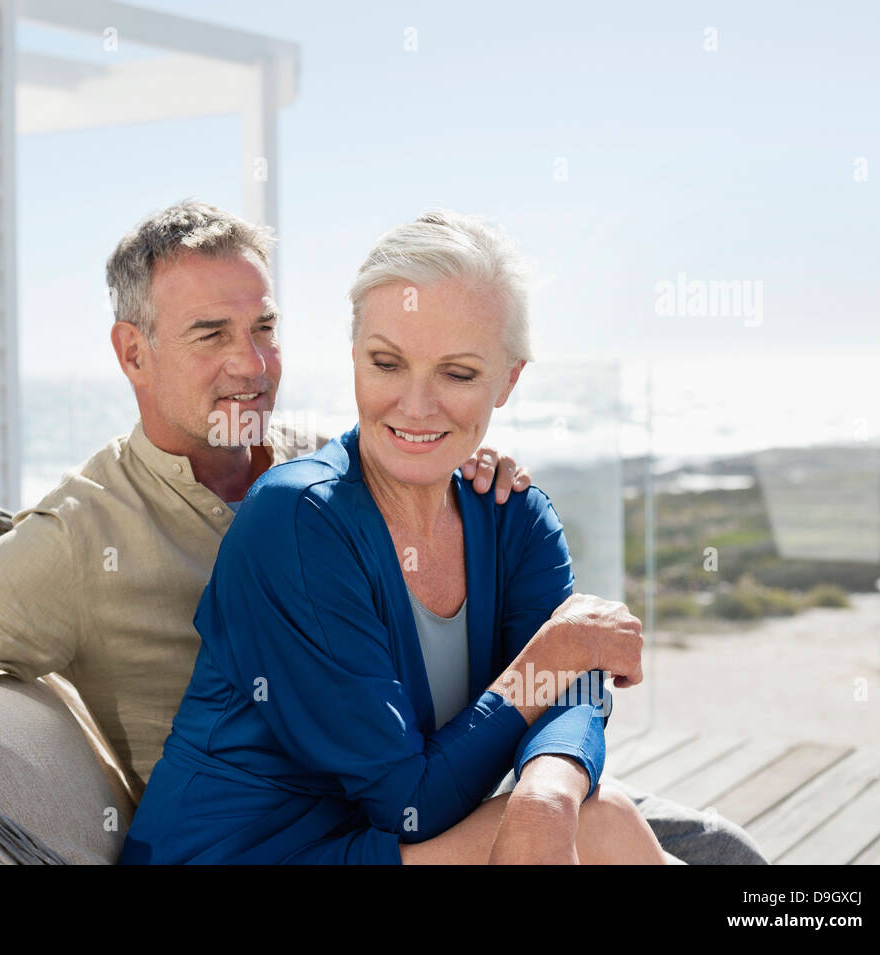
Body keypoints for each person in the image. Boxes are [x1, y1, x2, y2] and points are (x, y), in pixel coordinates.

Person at [0, 200, 767, 864]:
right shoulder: (83, 531)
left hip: (436, 789)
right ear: (131, 353)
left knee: (712, 846)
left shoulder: (352, 461)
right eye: (210, 335)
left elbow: (546, 642)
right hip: (285, 831)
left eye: (263, 326)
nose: (251, 363)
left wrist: (551, 771)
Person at [121, 211, 661, 863]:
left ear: (509, 379)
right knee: (604, 828)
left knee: (592, 816)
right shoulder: (297, 521)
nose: (415, 404)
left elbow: (568, 694)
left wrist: (546, 791)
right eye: (387, 363)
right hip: (252, 853)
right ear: (354, 357)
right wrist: (551, 658)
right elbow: (408, 801)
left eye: (457, 373)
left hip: (394, 846)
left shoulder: (512, 514)